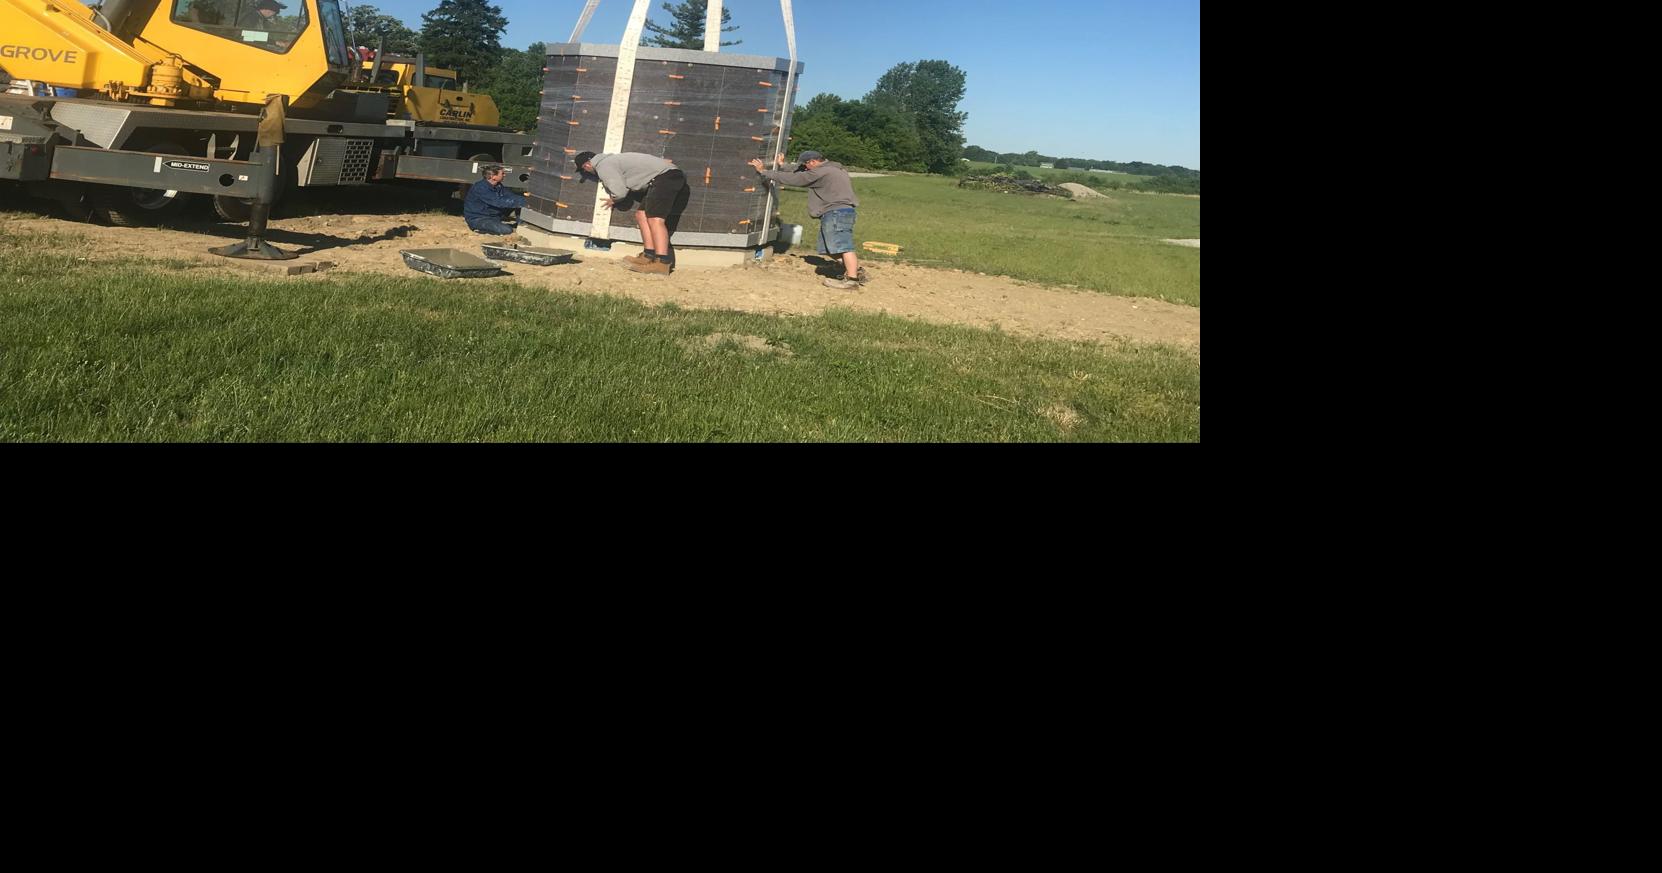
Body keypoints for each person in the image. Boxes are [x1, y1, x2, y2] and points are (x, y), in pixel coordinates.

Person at [748, 150, 864, 289]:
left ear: (813, 162)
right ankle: (854, 269)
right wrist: (782, 165)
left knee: (843, 246)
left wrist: (764, 172)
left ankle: (852, 279)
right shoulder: (834, 168)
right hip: (839, 211)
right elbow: (800, 172)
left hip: (836, 212)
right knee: (828, 248)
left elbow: (797, 179)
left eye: (806, 164)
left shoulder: (821, 173)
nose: (805, 167)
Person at [573, 151, 689, 275]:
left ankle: (662, 263)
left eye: (585, 171)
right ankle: (648, 255)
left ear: (587, 166)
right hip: (663, 178)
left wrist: (614, 199)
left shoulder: (604, 166)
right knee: (641, 215)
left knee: (655, 219)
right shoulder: (612, 160)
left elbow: (620, 191)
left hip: (666, 178)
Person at [464, 164, 528, 237]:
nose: (504, 175)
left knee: (519, 201)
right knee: (507, 230)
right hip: (479, 218)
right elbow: (498, 202)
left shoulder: (498, 185)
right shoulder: (480, 187)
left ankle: (522, 225)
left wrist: (525, 200)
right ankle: (479, 229)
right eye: (502, 173)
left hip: (493, 216)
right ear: (493, 176)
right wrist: (522, 202)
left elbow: (510, 196)